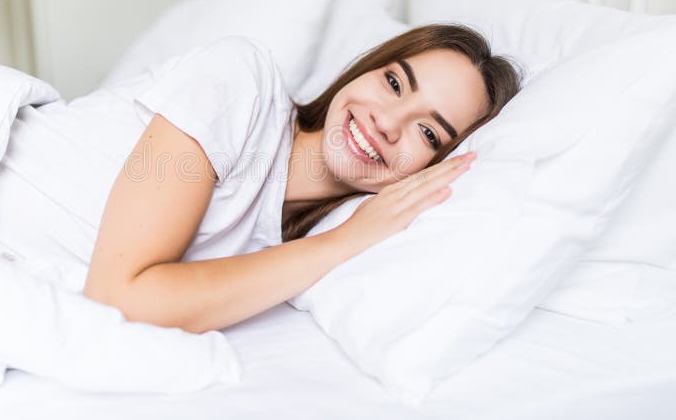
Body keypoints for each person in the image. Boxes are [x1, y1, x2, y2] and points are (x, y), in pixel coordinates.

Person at [83, 23, 523, 334]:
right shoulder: (242, 80)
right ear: (367, 67)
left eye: (427, 132)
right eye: (394, 82)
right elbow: (117, 301)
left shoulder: (282, 245)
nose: (388, 122)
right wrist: (344, 240)